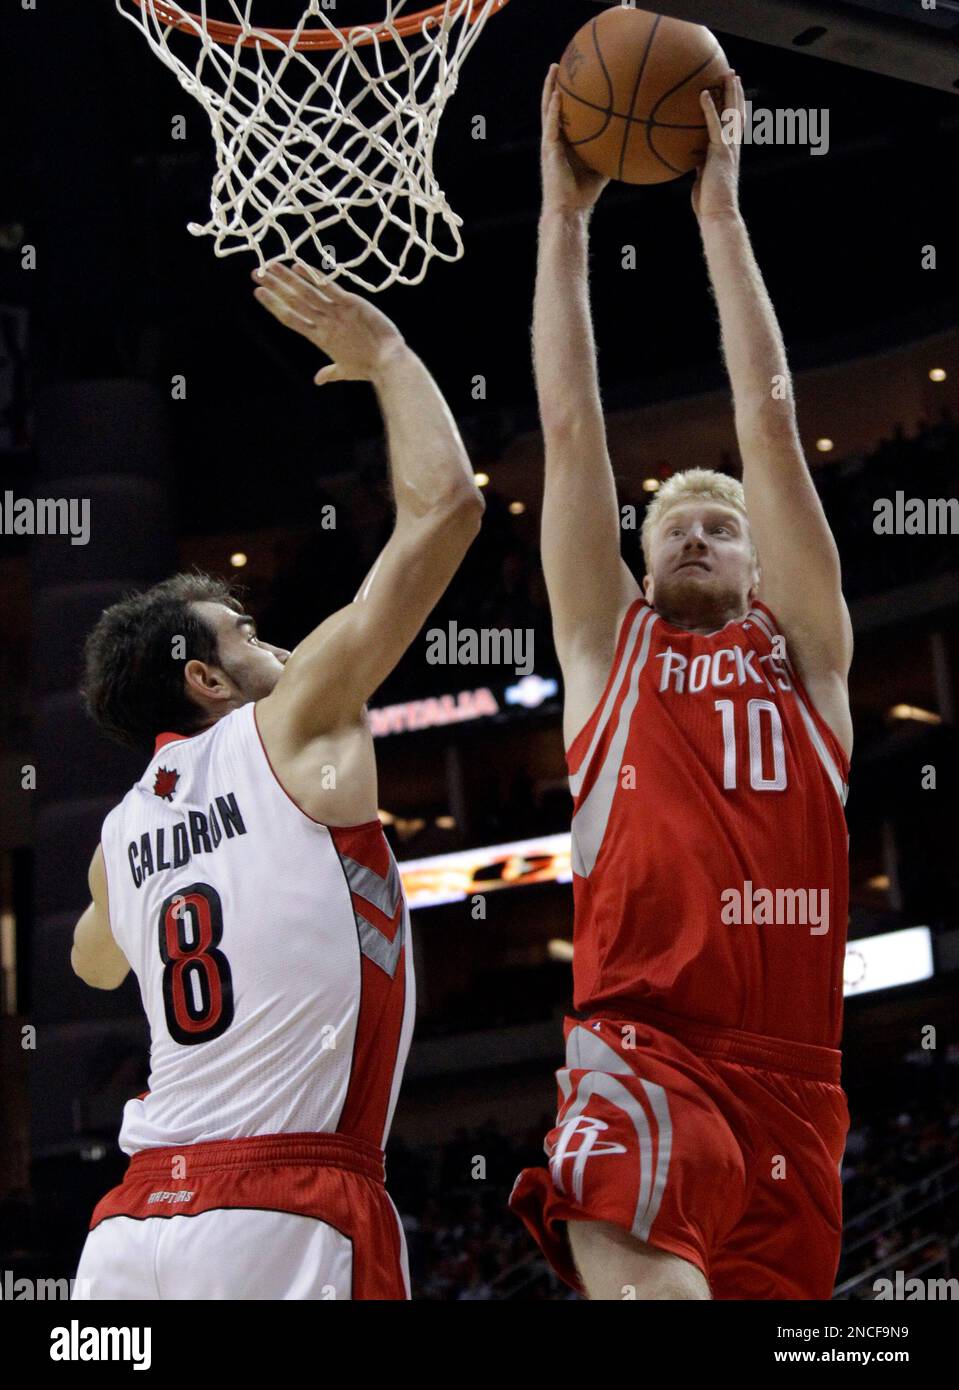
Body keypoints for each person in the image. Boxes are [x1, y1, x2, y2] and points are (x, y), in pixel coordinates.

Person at [70, 264, 484, 1300]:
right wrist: (387, 355)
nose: (282, 643)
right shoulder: (291, 723)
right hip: (280, 1207)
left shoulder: (116, 835)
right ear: (207, 679)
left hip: (128, 1229)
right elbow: (446, 513)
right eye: (250, 633)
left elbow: (93, 969)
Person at [509, 68, 853, 1300]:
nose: (692, 534)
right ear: (638, 560)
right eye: (668, 527)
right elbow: (567, 429)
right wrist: (563, 221)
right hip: (640, 1046)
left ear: (763, 557)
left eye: (717, 527)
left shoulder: (805, 655)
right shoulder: (609, 651)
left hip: (797, 1083)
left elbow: (767, 425)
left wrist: (720, 215)